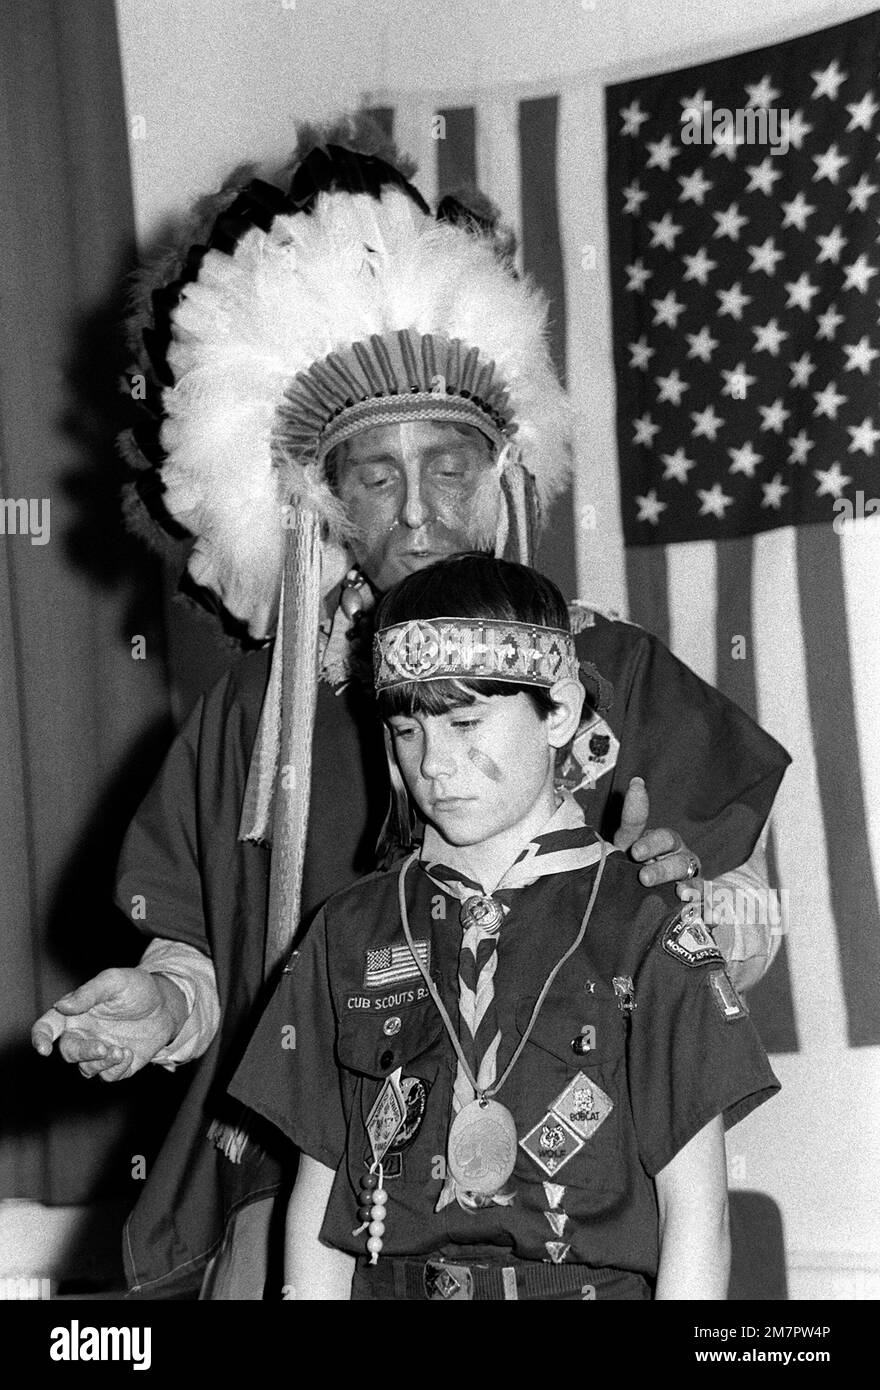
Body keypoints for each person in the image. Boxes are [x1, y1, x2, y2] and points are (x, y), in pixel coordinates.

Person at [30, 125, 789, 1299]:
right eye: (377, 477)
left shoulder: (607, 668)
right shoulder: (260, 710)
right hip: (320, 1165)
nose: (420, 510)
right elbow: (208, 953)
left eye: (449, 467)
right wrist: (163, 1003)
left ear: (502, 471)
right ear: (323, 500)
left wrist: (707, 907)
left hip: (572, 1181)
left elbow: (748, 918)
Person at [229, 553, 780, 1301]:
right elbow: (317, 1209)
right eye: (407, 730)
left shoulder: (645, 923)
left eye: (466, 723)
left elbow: (697, 1217)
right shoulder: (350, 930)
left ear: (559, 713)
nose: (434, 764)